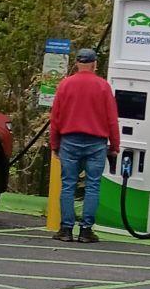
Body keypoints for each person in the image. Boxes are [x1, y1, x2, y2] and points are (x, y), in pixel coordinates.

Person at [49, 47, 120, 243]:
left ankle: (65, 229)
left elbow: (55, 117)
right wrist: (114, 145)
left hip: (69, 141)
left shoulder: (65, 85)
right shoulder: (103, 87)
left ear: (77, 63)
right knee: (93, 186)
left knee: (68, 185)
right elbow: (112, 119)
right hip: (96, 143)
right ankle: (86, 230)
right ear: (95, 64)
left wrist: (55, 144)